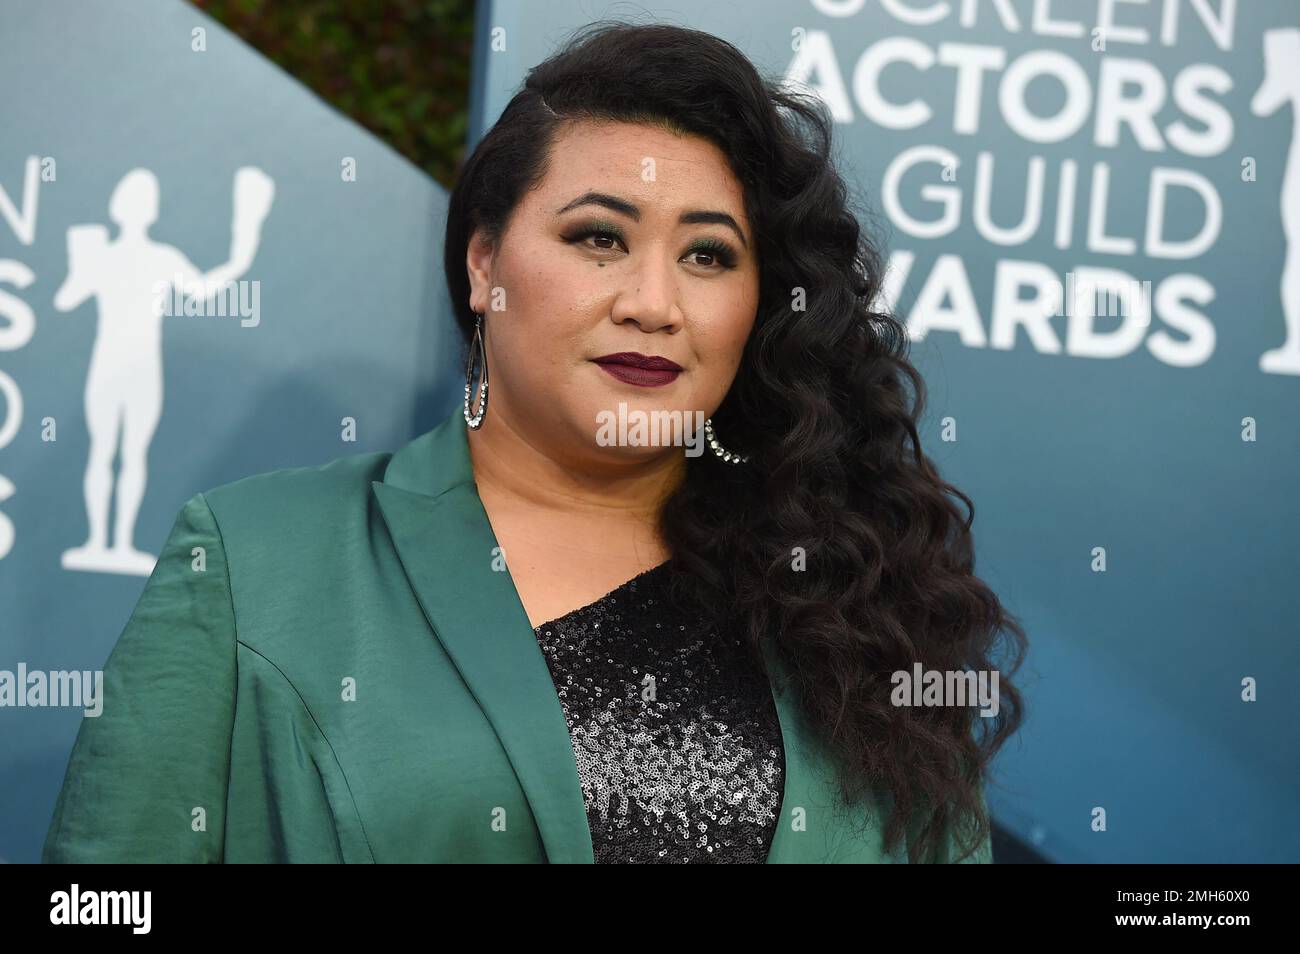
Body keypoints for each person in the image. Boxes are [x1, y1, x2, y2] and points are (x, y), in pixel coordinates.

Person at [43, 20, 1026, 864]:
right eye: (598, 237)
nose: (653, 303)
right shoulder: (255, 561)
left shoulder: (853, 597)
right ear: (483, 263)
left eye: (708, 254)